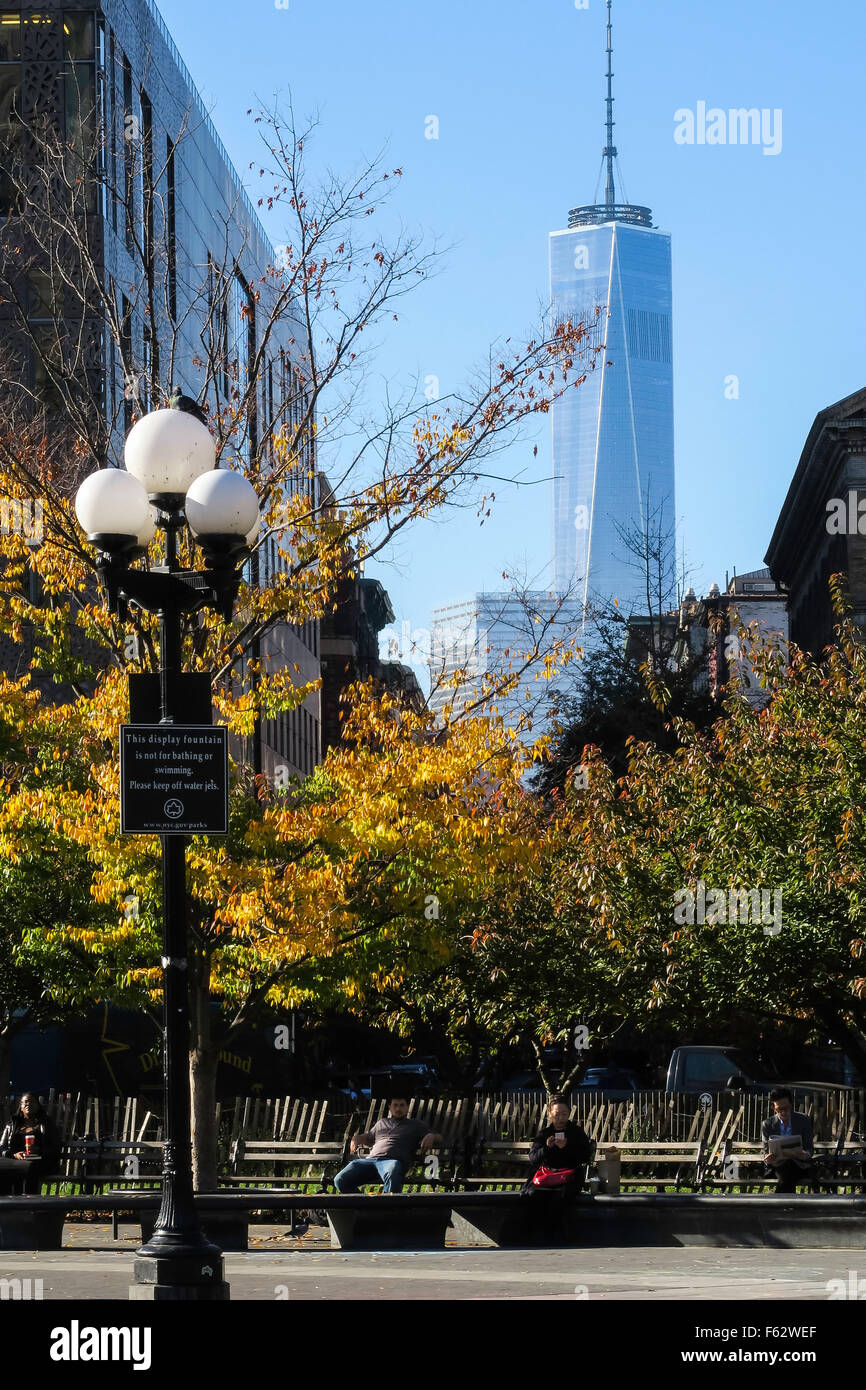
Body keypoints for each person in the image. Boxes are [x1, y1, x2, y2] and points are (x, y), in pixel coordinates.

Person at [334, 1094, 443, 1194]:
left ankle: (388, 1206)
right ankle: (366, 1205)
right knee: (340, 1179)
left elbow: (440, 1138)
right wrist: (356, 1138)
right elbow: (367, 1137)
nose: (398, 1109)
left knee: (392, 1169)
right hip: (370, 1161)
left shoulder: (415, 1125)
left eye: (402, 1105)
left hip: (392, 1162)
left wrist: (431, 1136)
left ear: (407, 1108)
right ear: (390, 1107)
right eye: (395, 1105)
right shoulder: (382, 1123)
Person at [522, 1094, 592, 1239]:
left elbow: (586, 1156)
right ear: (550, 1114)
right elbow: (533, 1158)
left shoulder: (576, 1132)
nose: (560, 1118)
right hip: (547, 1175)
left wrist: (567, 1147)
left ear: (569, 1114)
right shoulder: (545, 1133)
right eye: (557, 1114)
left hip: (569, 1175)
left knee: (559, 1197)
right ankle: (534, 1234)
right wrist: (547, 1148)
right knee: (532, 1195)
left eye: (564, 1114)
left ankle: (556, 1234)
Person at [1, 1094, 61, 1194]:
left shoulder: (46, 1124)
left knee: (29, 1167)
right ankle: (6, 1201)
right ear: (21, 1107)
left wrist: (39, 1150)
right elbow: (2, 1148)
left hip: (39, 1160)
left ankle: (27, 1201)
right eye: (25, 1102)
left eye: (32, 1102)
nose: (28, 1104)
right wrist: (14, 1154)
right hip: (14, 1160)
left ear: (38, 1106)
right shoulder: (12, 1125)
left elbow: (55, 1147)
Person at [761, 1088, 814, 1194]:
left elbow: (809, 1148)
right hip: (778, 1166)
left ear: (791, 1105)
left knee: (788, 1169)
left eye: (786, 1108)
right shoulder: (768, 1124)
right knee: (786, 1170)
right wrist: (768, 1158)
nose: (783, 1112)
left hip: (799, 1164)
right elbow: (766, 1150)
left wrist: (806, 1154)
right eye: (779, 1109)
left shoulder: (803, 1120)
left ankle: (780, 1199)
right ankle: (786, 1201)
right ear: (773, 1108)